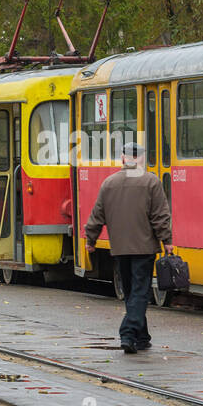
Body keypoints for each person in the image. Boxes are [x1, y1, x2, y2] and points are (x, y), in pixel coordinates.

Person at [84, 142, 173, 354]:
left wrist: (91, 239)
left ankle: (142, 338)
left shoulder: (109, 183)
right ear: (142, 159)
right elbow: (160, 216)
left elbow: (97, 215)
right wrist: (166, 240)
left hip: (119, 248)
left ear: (123, 158)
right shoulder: (151, 182)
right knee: (140, 292)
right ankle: (128, 333)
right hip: (144, 247)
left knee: (131, 291)